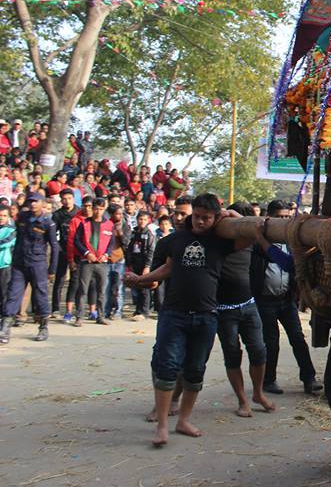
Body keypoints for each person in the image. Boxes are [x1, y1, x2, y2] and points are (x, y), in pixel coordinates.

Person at [124, 193, 247, 446]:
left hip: (206, 316)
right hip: (174, 314)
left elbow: (251, 235)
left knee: (194, 372)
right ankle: (162, 426)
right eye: (197, 216)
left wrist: (235, 216)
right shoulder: (175, 240)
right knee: (168, 368)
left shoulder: (221, 242)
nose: (200, 222)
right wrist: (140, 280)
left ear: (216, 217)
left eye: (207, 218)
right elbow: (168, 268)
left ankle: (184, 420)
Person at [251, 199, 321, 395]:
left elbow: (289, 265)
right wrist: (261, 239)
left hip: (286, 299)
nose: (284, 222)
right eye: (279, 218)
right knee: (271, 342)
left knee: (298, 338)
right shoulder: (256, 246)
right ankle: (269, 380)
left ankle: (309, 379)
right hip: (265, 301)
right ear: (269, 219)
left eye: (287, 218)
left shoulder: (292, 243)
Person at [217, 201, 275, 418]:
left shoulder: (250, 240)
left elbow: (257, 226)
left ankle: (257, 393)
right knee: (232, 355)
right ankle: (243, 400)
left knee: (259, 351)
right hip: (223, 309)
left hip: (248, 304)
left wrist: (239, 218)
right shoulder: (217, 241)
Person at [0, 191, 59, 343]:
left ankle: (43, 326)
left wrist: (52, 269)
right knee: (13, 293)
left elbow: (54, 246)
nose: (32, 204)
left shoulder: (47, 222)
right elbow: (18, 238)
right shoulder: (22, 217)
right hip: (20, 263)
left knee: (40, 294)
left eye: (35, 201)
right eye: (30, 201)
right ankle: (5, 327)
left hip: (37, 263)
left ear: (42, 204)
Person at [73, 198, 114, 326]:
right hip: (87, 261)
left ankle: (100, 316)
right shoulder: (84, 223)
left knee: (101, 290)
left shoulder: (109, 225)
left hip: (102, 262)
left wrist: (106, 254)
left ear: (104, 210)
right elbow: (77, 241)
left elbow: (112, 243)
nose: (98, 211)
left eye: (101, 209)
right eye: (96, 208)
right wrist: (87, 253)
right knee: (82, 289)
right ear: (92, 208)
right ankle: (79, 317)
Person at [50, 189, 78, 318]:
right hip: (62, 250)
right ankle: (55, 308)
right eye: (64, 199)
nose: (67, 201)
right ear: (61, 200)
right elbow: (53, 235)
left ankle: (72, 308)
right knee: (60, 279)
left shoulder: (79, 213)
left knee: (75, 279)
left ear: (73, 199)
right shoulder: (57, 215)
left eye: (69, 198)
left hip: (76, 250)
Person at [125, 211, 156, 320]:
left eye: (144, 219)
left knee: (145, 289)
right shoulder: (134, 233)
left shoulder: (149, 234)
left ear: (148, 221)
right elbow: (129, 248)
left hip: (144, 264)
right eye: (140, 219)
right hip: (135, 263)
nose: (142, 222)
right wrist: (129, 263)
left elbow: (151, 251)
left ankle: (144, 311)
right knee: (136, 288)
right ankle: (138, 310)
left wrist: (147, 266)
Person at [0, 205, 14, 312]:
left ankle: (5, 314)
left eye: (4, 216)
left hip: (4, 264)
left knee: (4, 291)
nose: (1, 218)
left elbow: (7, 242)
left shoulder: (12, 230)